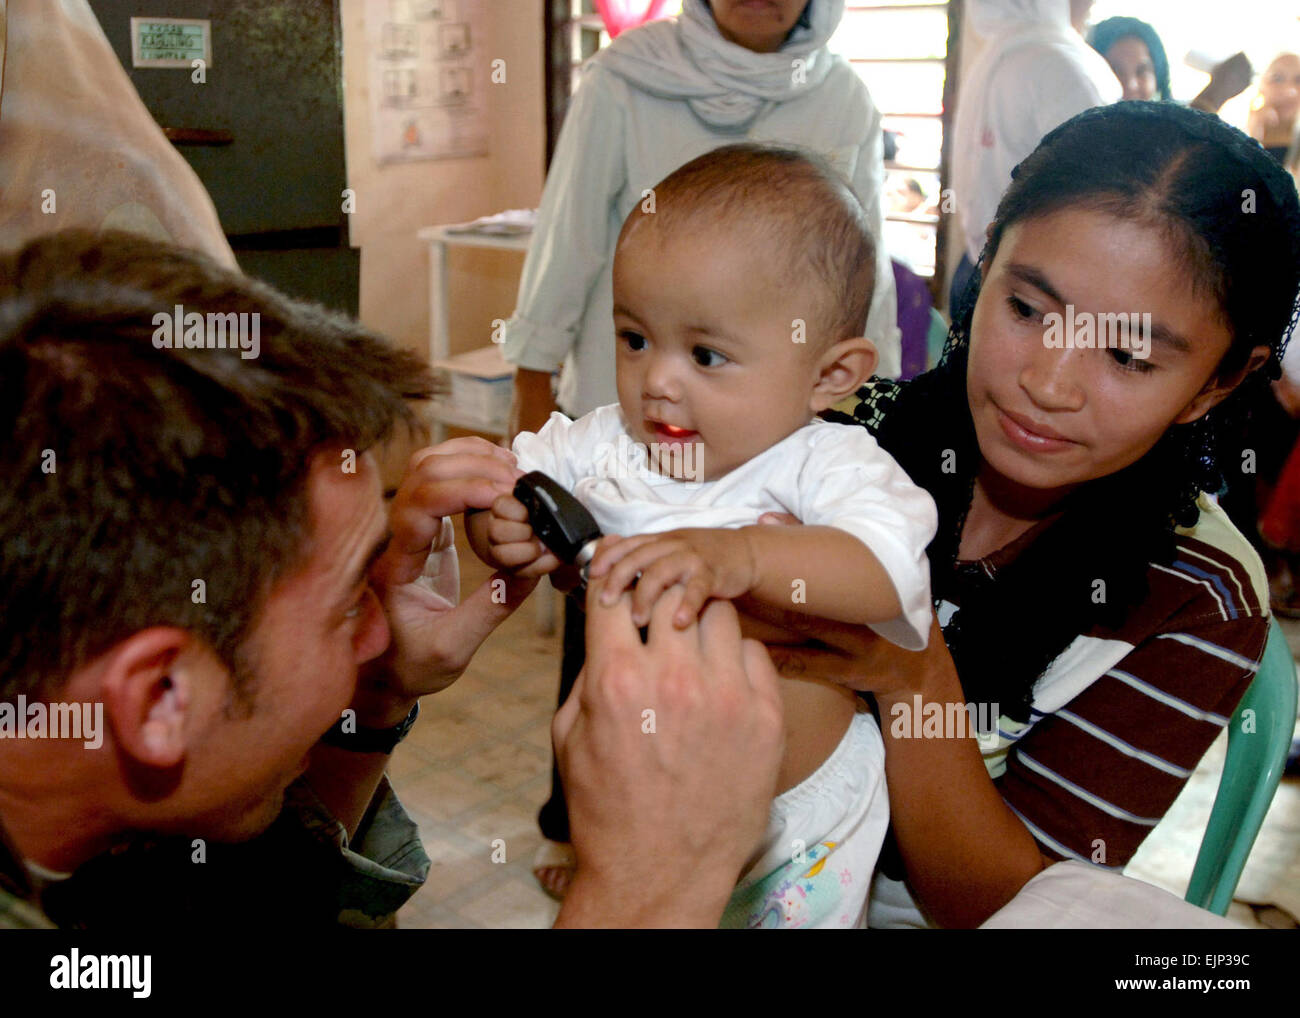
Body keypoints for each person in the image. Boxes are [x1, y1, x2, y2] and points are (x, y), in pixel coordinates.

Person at [566, 100, 1300, 927]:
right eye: (1026, 310)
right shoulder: (826, 436)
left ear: (1219, 381)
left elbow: (998, 906)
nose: (1048, 385)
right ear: (983, 267)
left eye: (1128, 357)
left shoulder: (1196, 597)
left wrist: (909, 672)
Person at [472, 145, 937, 927]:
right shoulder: (608, 441)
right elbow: (517, 480)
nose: (658, 380)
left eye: (706, 354)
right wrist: (501, 528)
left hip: (801, 820)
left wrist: (740, 556)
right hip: (648, 784)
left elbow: (889, 569)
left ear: (830, 376)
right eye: (634, 338)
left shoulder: (823, 460)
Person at [949, 0, 1121, 317]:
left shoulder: (998, 56)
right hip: (1031, 290)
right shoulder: (1062, 66)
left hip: (979, 267)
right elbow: (1102, 202)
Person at [1088, 16, 1251, 113]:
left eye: (1142, 71)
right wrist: (1212, 97)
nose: (1130, 85)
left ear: (1158, 78)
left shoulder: (1166, 115)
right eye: (1114, 71)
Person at [1248, 52, 1300, 163]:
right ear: (1262, 86)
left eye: (1299, 81)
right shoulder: (1233, 138)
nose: (1290, 91)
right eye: (1277, 79)